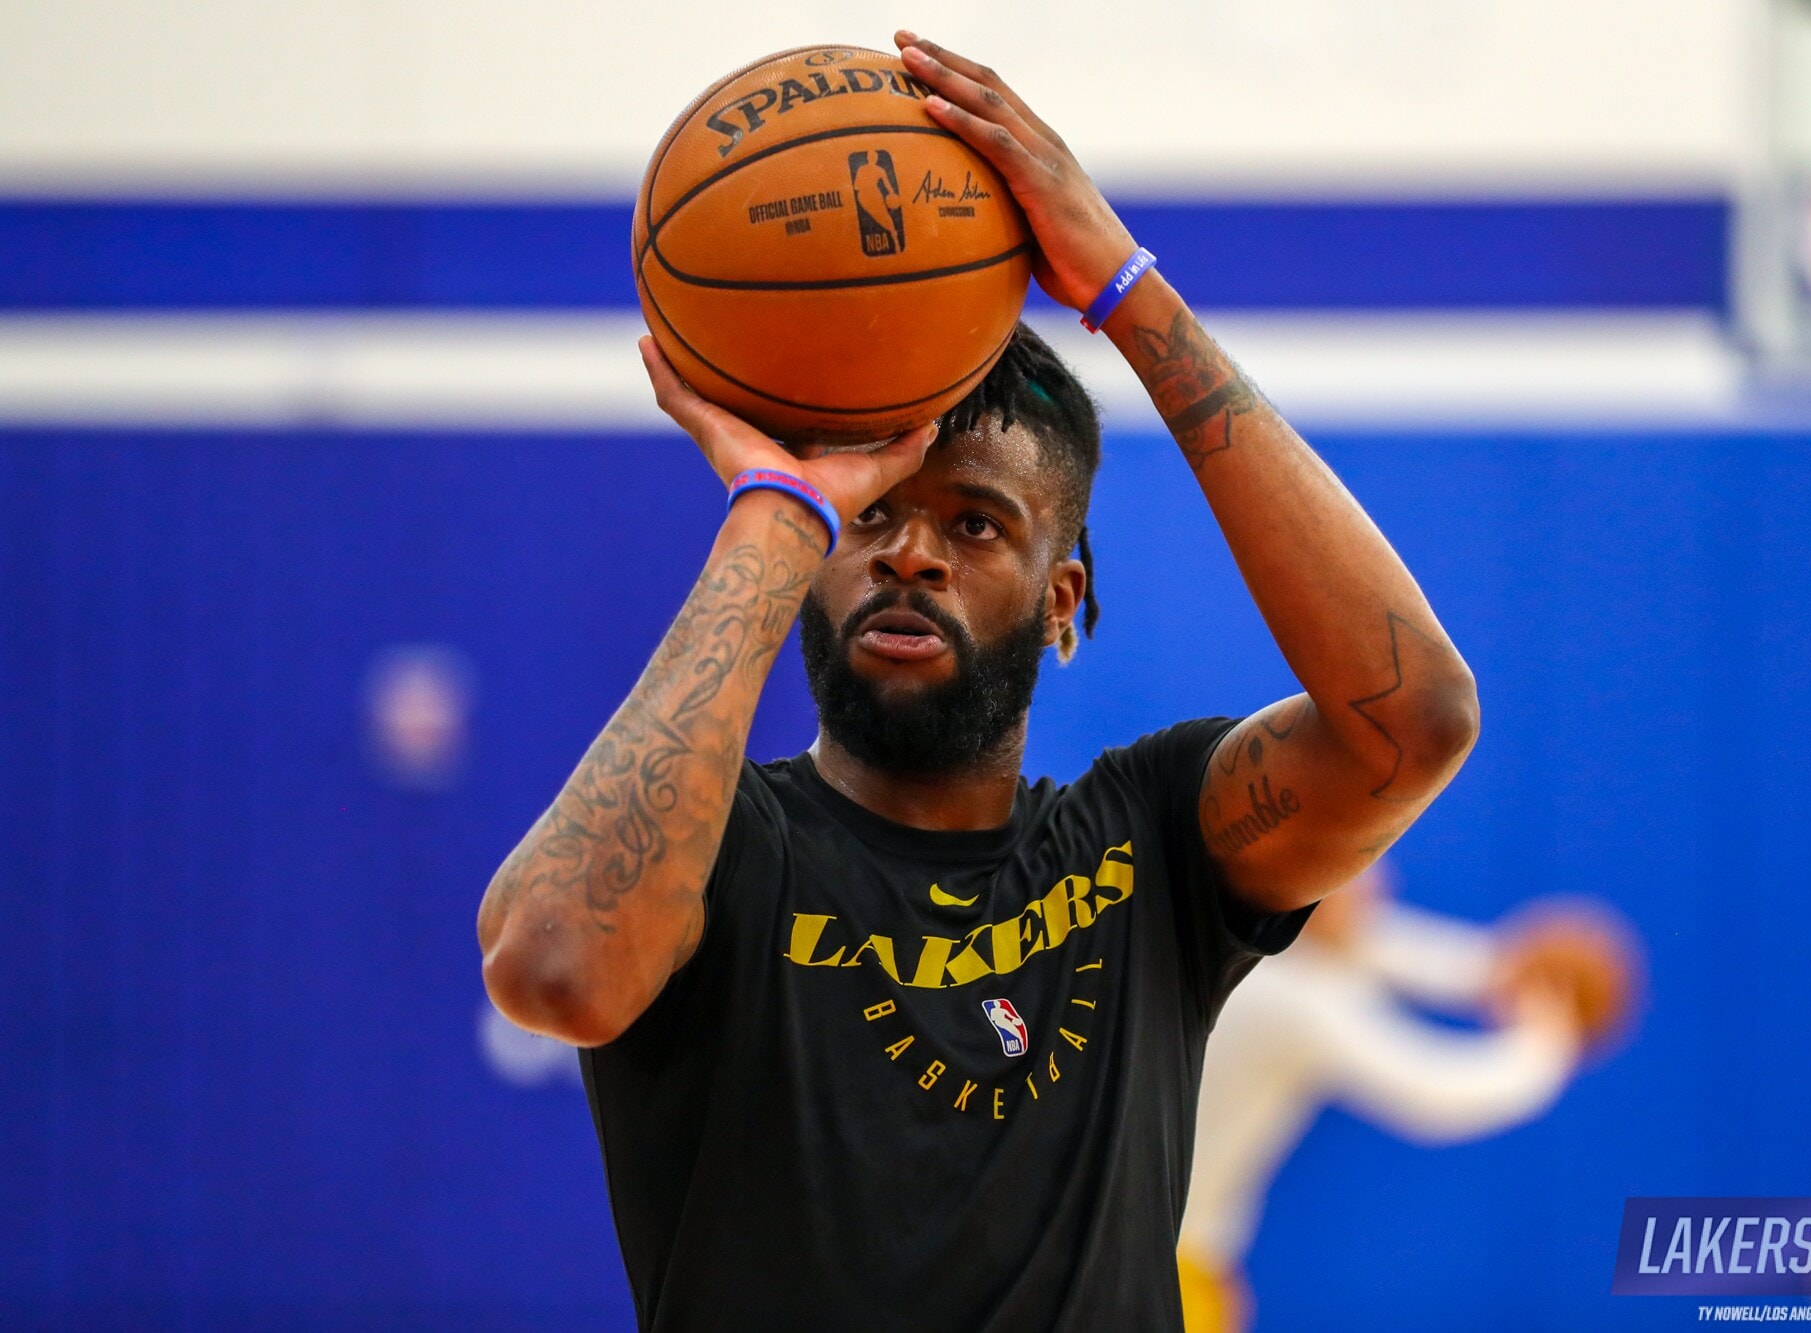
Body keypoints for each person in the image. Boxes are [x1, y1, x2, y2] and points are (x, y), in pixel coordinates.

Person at [476, 32, 1481, 1331]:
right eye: (877, 512)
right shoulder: (709, 849)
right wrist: (779, 512)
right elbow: (554, 967)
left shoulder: (1155, 844)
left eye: (977, 526)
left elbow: (1413, 719)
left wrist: (1129, 292)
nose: (912, 555)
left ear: (1064, 599)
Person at [1178, 862, 1641, 1332]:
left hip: (1177, 1249)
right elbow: (1436, 1089)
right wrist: (1547, 1044)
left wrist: (1514, 973)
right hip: (1166, 1256)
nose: (1377, 883)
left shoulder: (1264, 943)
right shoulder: (1291, 999)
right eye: (1353, 868)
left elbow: (1390, 945)